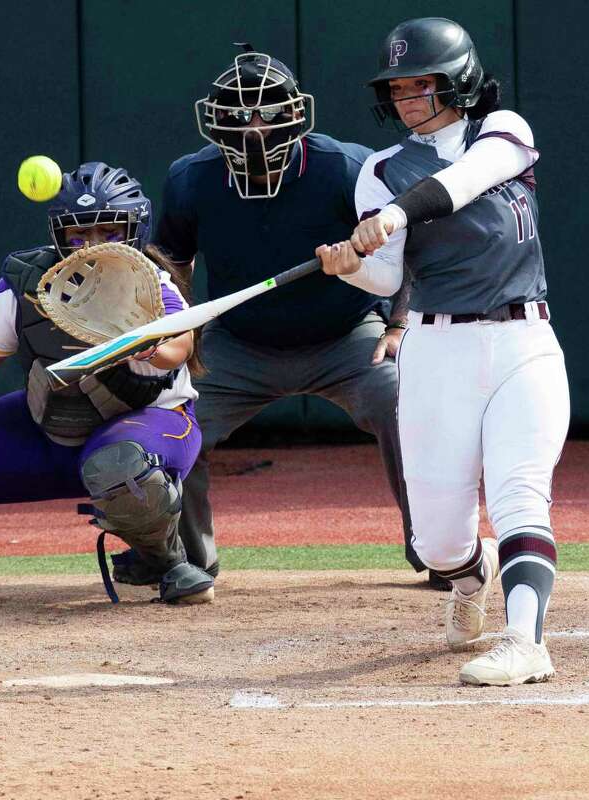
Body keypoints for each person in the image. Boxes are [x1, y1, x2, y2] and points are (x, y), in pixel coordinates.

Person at [318, 17, 569, 686]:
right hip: (435, 350)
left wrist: (395, 216)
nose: (405, 98)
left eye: (420, 85)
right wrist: (349, 263)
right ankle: (470, 579)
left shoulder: (504, 131)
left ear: (457, 82)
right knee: (438, 542)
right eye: (396, 88)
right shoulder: (379, 170)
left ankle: (525, 640)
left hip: (523, 341)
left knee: (520, 491)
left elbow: (463, 182)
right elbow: (386, 277)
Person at [154, 46, 444, 588]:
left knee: (402, 398)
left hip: (347, 335)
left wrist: (399, 325)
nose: (253, 128)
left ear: (295, 112)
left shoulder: (346, 167)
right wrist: (182, 333)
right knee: (170, 420)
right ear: (214, 120)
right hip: (237, 343)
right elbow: (172, 263)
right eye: (239, 115)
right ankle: (187, 560)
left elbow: (410, 247)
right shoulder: (190, 178)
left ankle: (437, 551)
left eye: (266, 111)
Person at [0, 161, 214, 604]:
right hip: (49, 429)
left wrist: (148, 346)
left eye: (109, 232)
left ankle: (164, 560)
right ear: (58, 235)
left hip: (146, 427)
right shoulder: (26, 286)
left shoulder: (154, 285)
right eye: (79, 234)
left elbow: (180, 343)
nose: (92, 246)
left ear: (135, 230)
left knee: (117, 465)